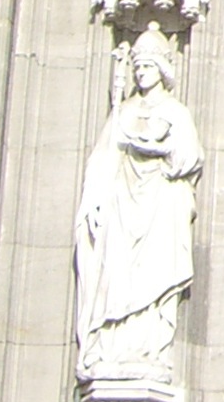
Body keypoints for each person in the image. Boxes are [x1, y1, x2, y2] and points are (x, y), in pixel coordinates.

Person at [73, 27, 202, 382]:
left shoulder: (176, 112)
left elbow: (189, 157)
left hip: (160, 207)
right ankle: (112, 347)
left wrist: (162, 151)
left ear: (162, 69)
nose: (141, 73)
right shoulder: (124, 111)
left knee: (153, 277)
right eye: (138, 67)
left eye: (147, 66)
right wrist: (94, 201)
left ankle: (148, 347)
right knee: (116, 278)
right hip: (122, 207)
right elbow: (102, 159)